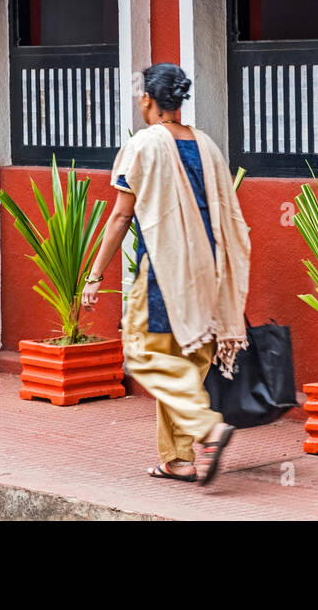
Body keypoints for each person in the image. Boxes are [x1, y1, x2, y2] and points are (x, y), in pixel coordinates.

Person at [82, 63, 251, 485]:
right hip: (211, 270)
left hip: (164, 272)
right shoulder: (207, 144)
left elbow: (121, 217)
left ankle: (207, 429)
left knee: (147, 355)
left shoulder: (145, 144)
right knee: (188, 363)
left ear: (148, 100)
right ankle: (178, 460)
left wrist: (95, 274)